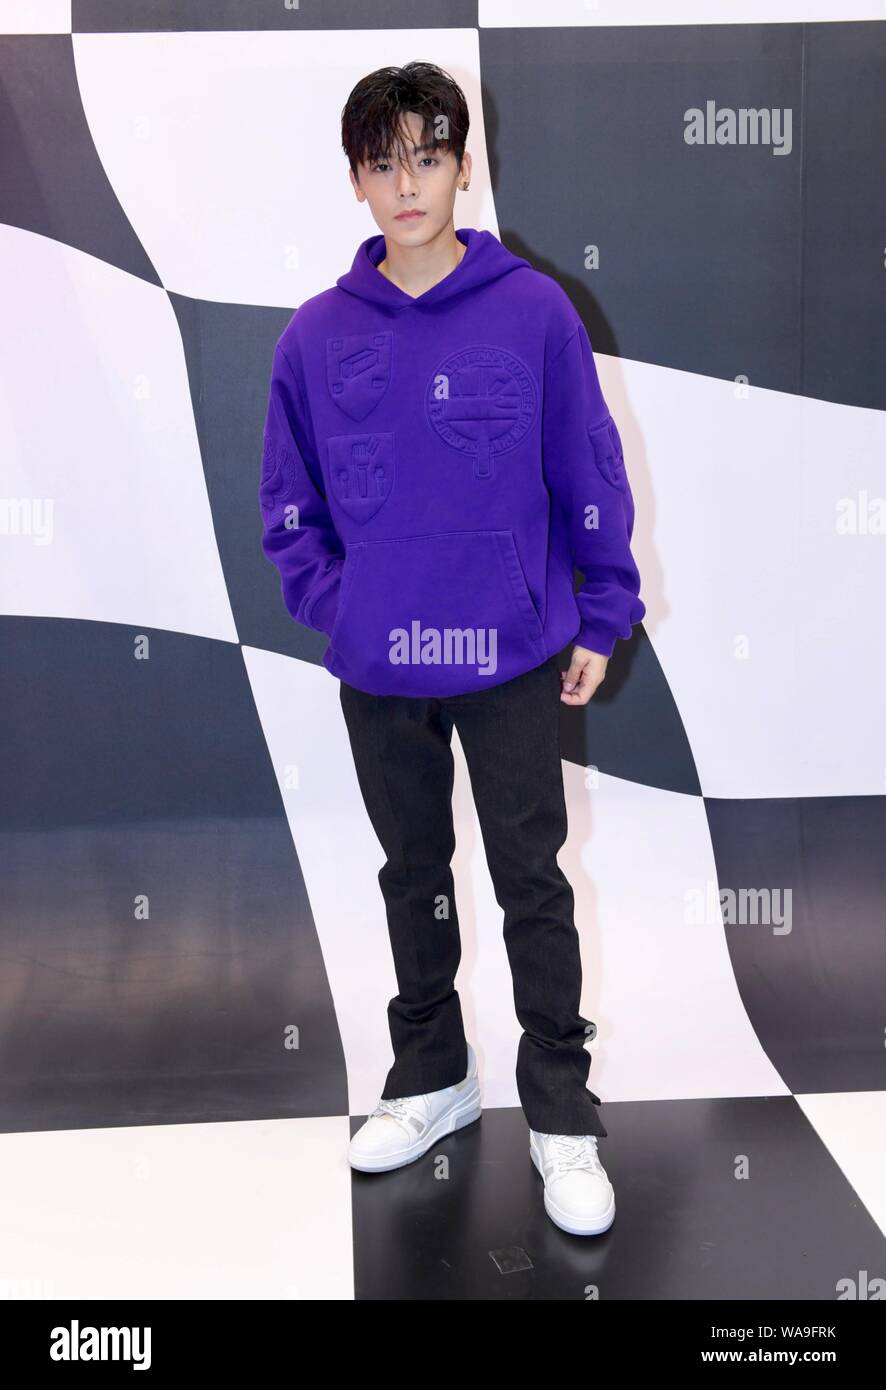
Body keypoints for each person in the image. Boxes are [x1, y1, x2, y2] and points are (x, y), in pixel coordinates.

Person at [259, 61, 645, 1237]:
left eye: (428, 154)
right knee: (412, 876)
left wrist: (603, 607)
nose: (407, 181)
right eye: (383, 161)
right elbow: (289, 505)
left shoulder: (534, 311)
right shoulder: (315, 337)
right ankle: (431, 1078)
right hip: (383, 668)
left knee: (533, 880)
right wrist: (350, 604)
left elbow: (588, 466)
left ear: (463, 163)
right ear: (355, 180)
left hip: (514, 652)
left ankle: (562, 1113)